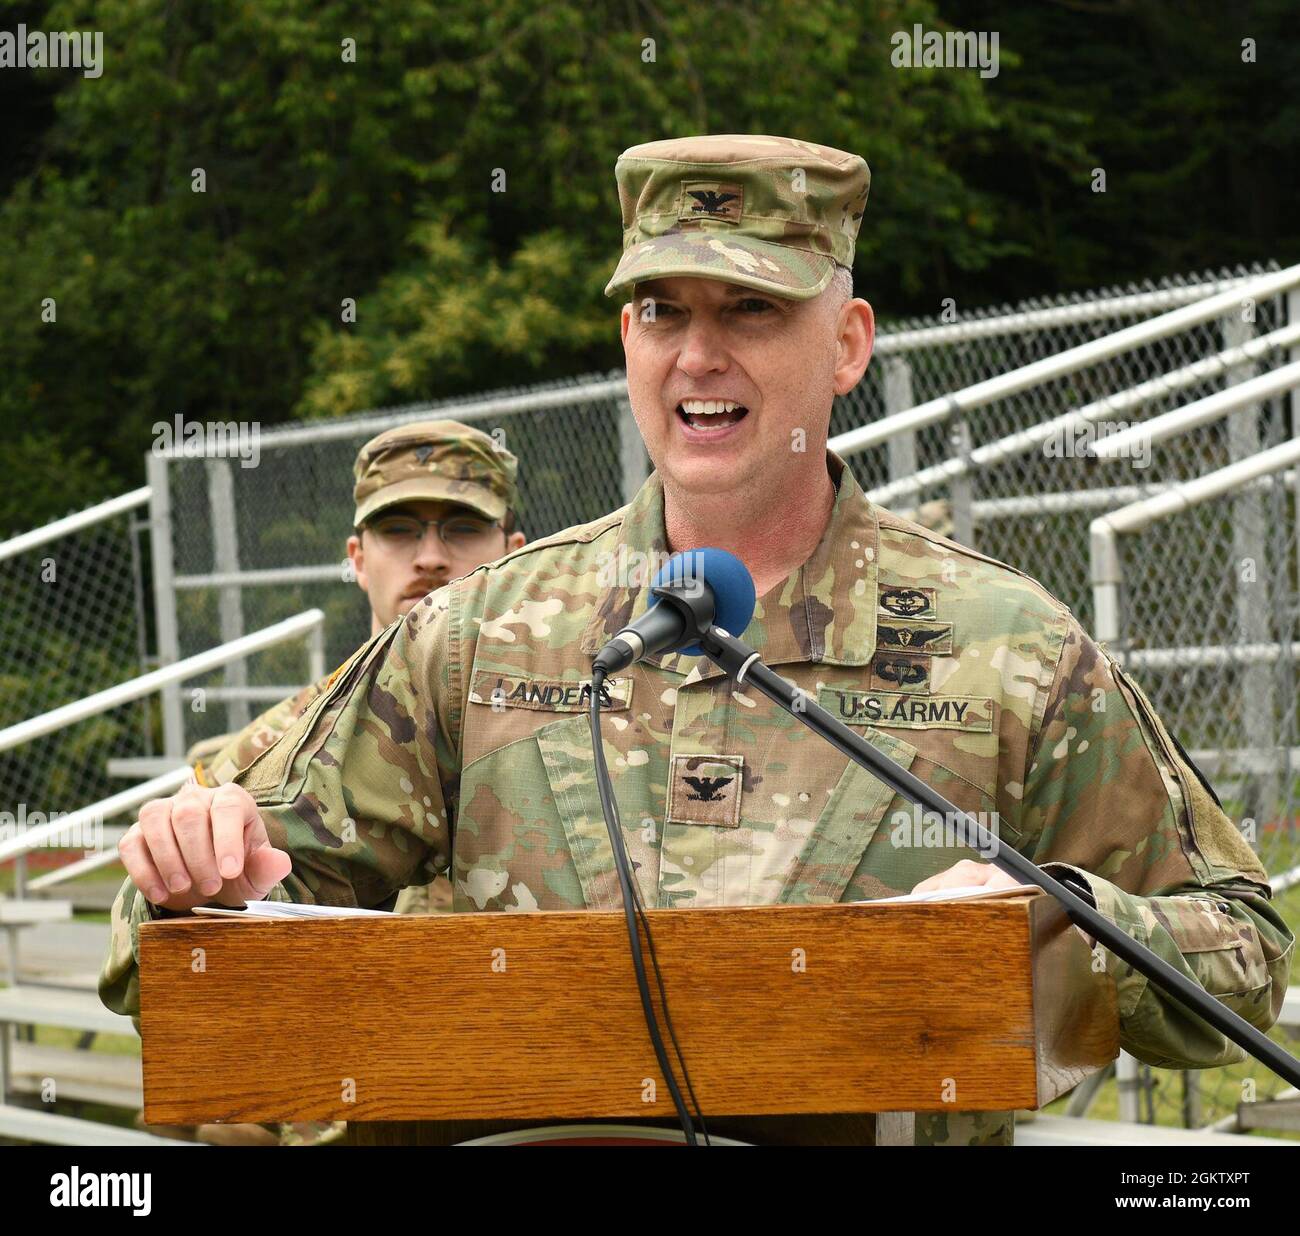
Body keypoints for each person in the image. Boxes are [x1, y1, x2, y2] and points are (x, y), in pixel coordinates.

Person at [102, 135, 1294, 1146]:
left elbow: (1244, 951)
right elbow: (184, 938)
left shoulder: (1008, 647)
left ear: (847, 345)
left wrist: (1057, 913)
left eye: (751, 311)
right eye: (660, 311)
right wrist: (191, 880)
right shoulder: (479, 634)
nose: (696, 354)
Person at [103, 418, 524, 1145]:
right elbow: (178, 1010)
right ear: (357, 558)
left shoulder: (573, 737)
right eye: (399, 532)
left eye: (461, 529)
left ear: (516, 556)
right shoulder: (261, 755)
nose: (430, 557)